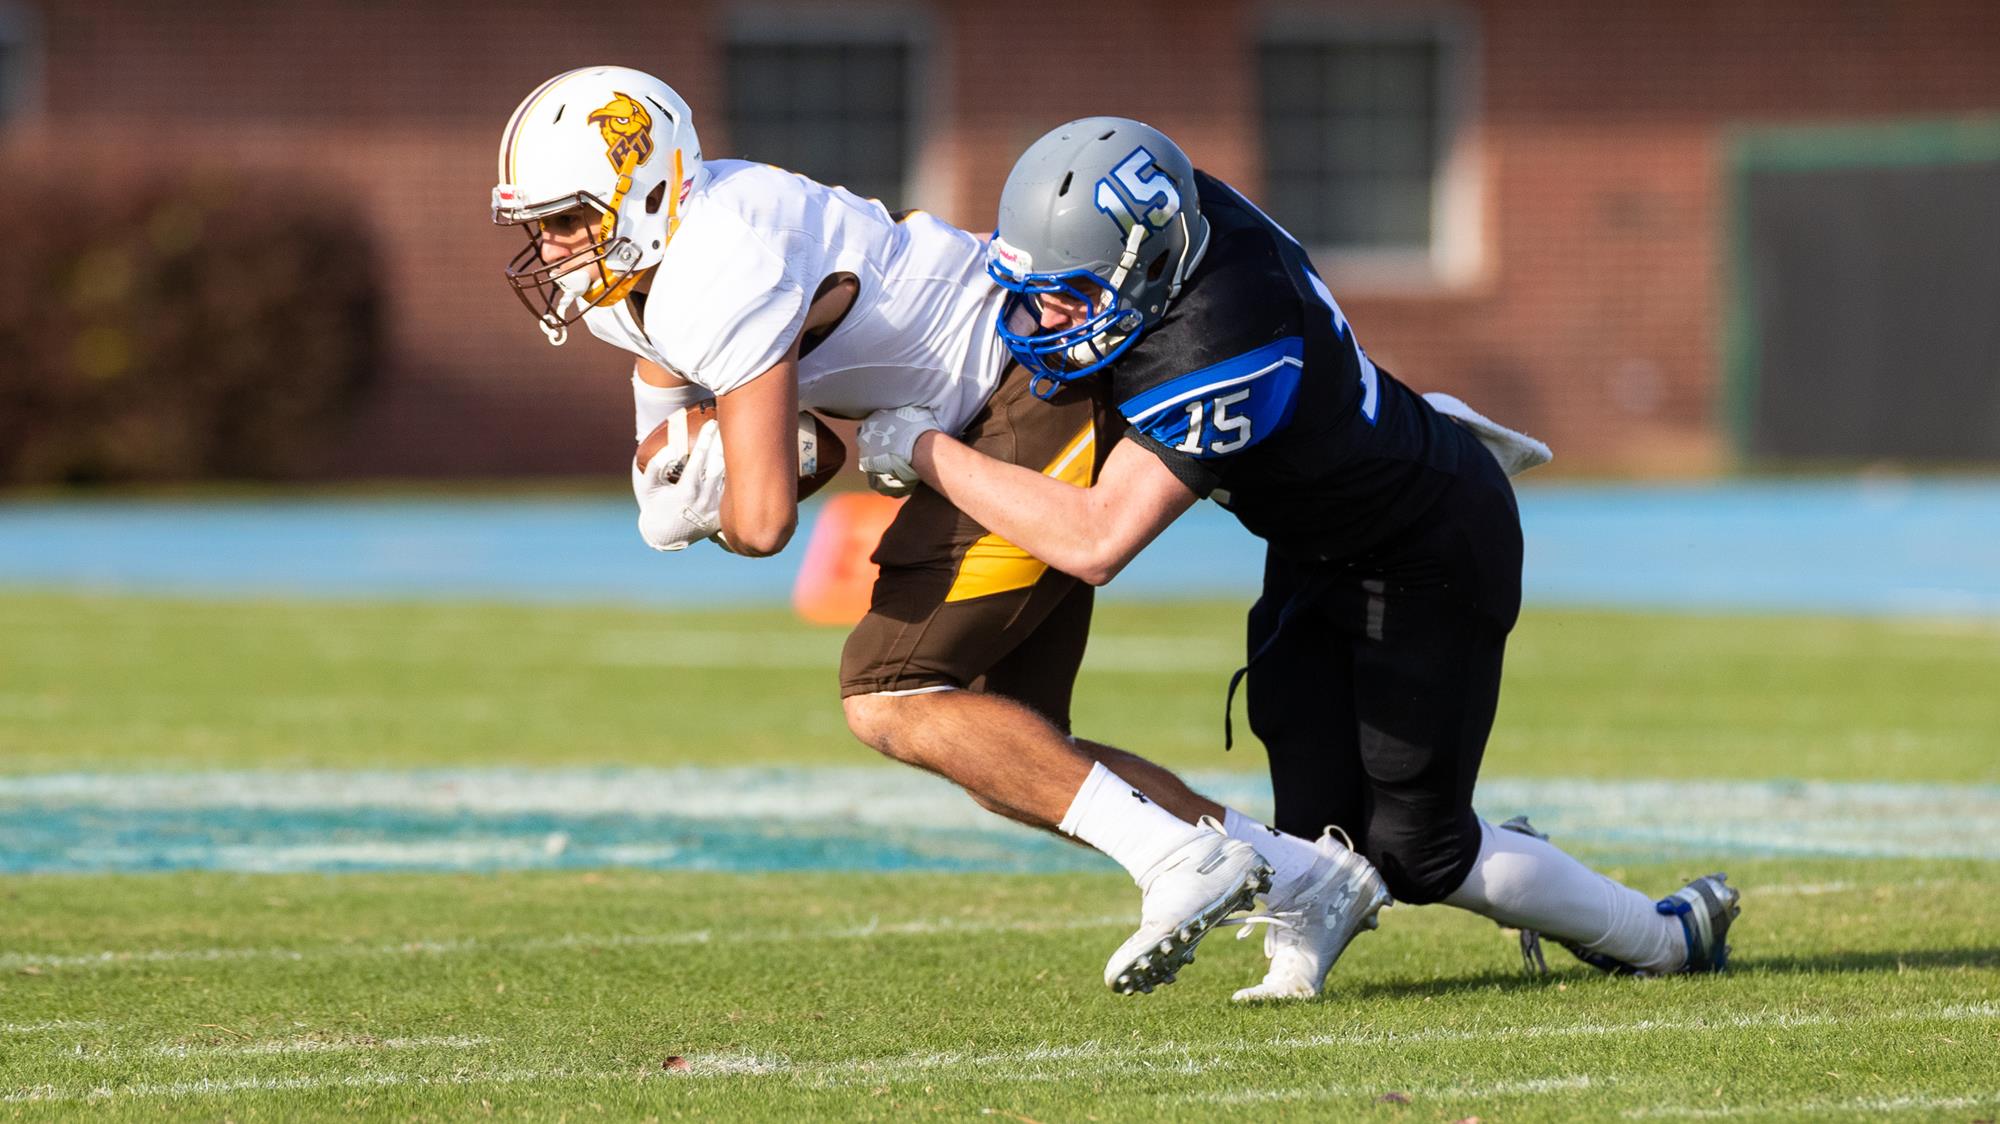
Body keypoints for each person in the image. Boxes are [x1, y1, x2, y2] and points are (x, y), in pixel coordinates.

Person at [490, 69, 1376, 996]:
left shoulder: (717, 261)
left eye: (564, 220)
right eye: (535, 226)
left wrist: (707, 493)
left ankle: (1177, 858)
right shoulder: (634, 268)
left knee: (890, 688)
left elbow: (763, 521)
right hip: (988, 402)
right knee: (1015, 754)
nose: (546, 250)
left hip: (1024, 383)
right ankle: (1310, 881)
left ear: (645, 188)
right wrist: (669, 476)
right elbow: (668, 419)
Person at [856, 117, 1741, 996]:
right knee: (1316, 837)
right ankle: (1301, 965)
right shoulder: (1172, 222)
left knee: (1419, 854)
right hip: (1322, 538)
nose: (1045, 316)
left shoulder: (1222, 342)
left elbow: (1095, 541)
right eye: (1038, 287)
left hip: (1426, 552)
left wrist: (926, 449)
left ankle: (1665, 937)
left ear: (1150, 267)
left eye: (1073, 294)